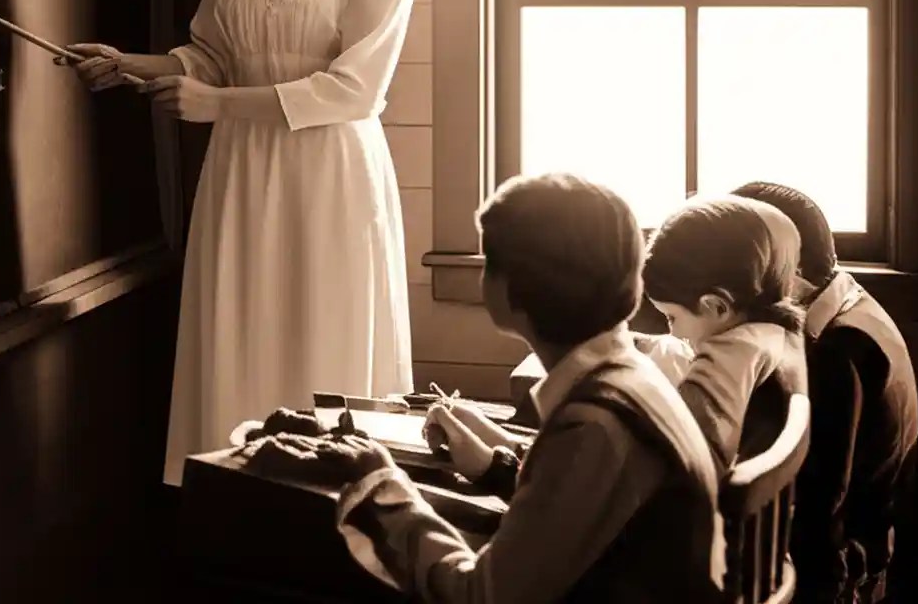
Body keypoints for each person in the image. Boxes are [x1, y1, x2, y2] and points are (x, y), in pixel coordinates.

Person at [61, 0, 419, 486]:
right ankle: (236, 517)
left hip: (328, 176)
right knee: (237, 340)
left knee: (322, 343)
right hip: (239, 171)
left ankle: (333, 519)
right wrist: (128, 65)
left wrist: (217, 104)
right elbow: (213, 54)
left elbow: (357, 90)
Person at [268, 173, 726, 602]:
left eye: (489, 263)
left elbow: (482, 595)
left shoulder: (592, 426)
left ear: (510, 292)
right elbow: (579, 511)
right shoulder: (634, 375)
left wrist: (377, 481)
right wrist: (494, 466)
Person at [732, 181, 918, 604]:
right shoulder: (849, 302)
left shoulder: (833, 352)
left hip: (841, 577)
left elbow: (820, 511)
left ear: (778, 265)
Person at [641, 194, 810, 476]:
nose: (672, 330)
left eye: (672, 317)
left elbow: (682, 461)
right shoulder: (776, 331)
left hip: (710, 508)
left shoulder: (734, 351)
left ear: (717, 305)